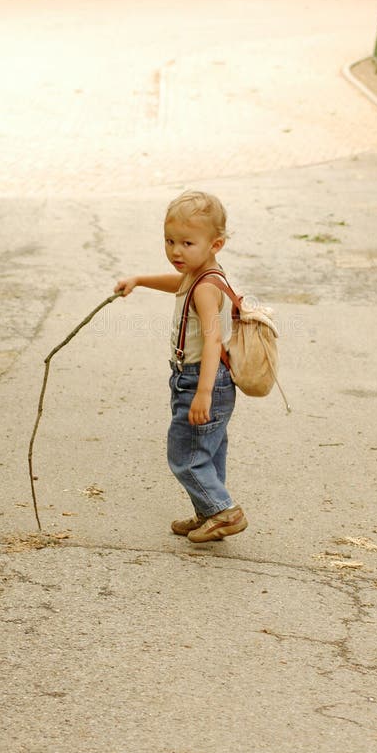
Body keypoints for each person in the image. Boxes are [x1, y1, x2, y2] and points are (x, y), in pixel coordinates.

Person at [114, 191, 248, 543]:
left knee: (184, 454)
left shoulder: (204, 288)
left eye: (187, 243)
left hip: (201, 379)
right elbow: (179, 283)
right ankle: (209, 511)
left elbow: (213, 341)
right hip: (204, 380)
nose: (176, 251)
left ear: (215, 244)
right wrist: (140, 280)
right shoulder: (204, 274)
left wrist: (203, 393)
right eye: (170, 241)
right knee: (208, 449)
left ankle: (223, 511)